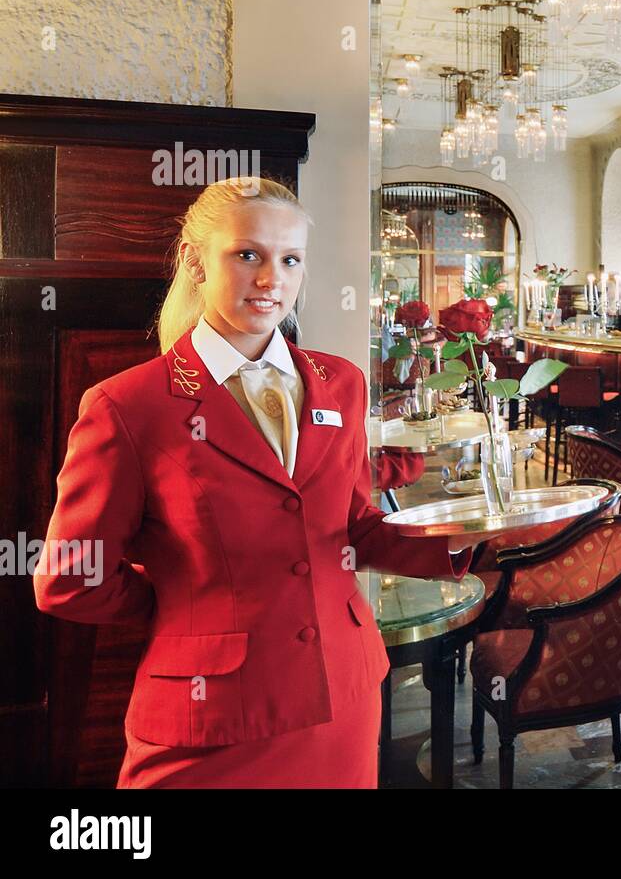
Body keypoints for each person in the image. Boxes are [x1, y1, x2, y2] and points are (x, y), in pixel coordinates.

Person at [33, 176, 468, 788]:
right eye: (248, 255)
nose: (273, 280)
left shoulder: (341, 382)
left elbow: (355, 529)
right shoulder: (128, 405)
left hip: (343, 696)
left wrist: (474, 542)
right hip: (210, 720)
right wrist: (181, 607)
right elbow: (70, 580)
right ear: (195, 261)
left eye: (290, 259)